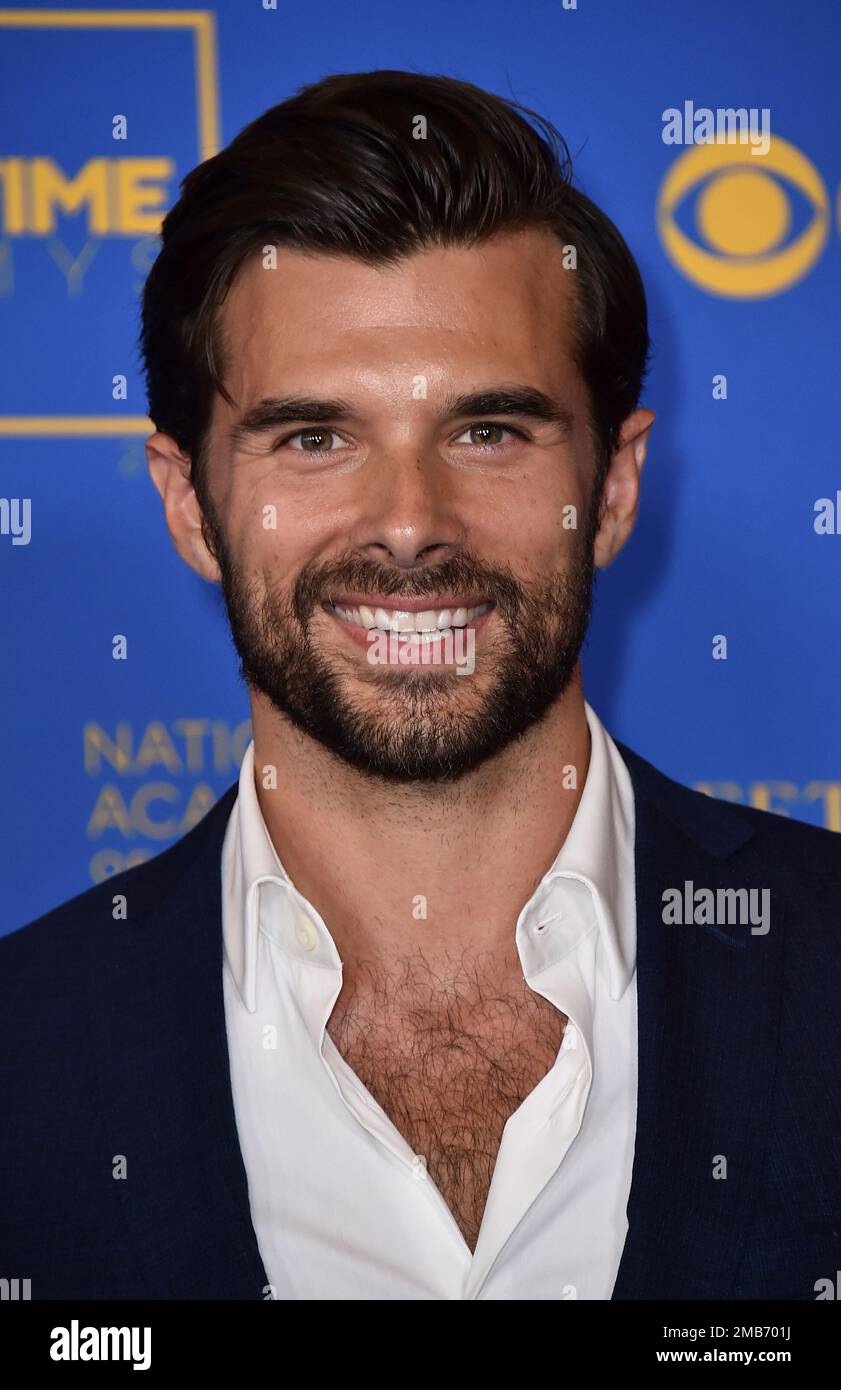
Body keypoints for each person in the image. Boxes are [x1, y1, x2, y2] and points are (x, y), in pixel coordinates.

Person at [2, 70, 839, 1302]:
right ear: (187, 505)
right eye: (314, 438)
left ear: (613, 489)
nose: (408, 523)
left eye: (487, 432)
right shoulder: (24, 1049)